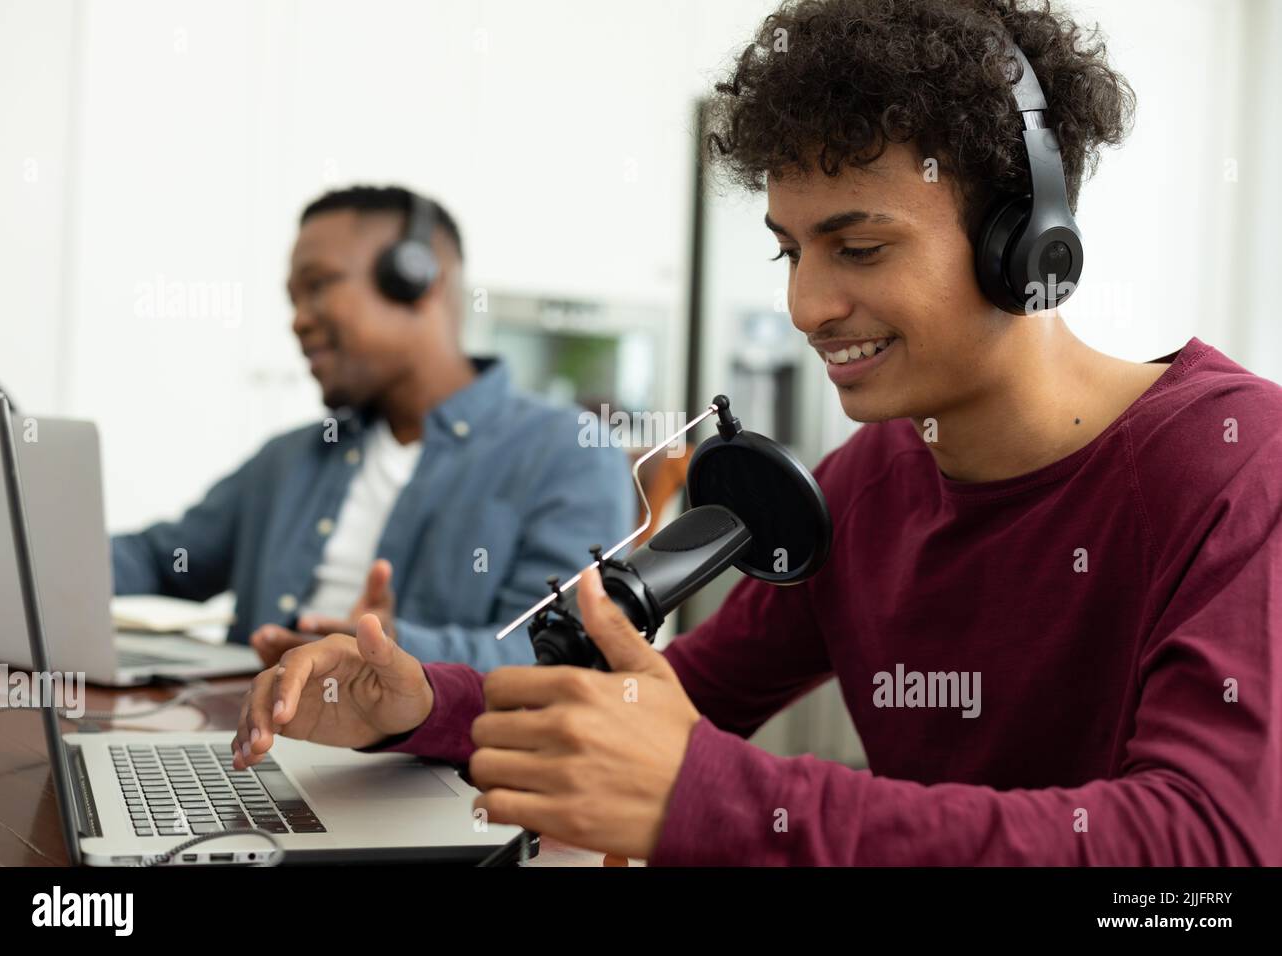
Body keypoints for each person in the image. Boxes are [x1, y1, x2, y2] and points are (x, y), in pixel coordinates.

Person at [230, 0, 1281, 864]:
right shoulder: (870, 479)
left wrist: (715, 798)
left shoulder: (1233, 461)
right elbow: (692, 693)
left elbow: (1204, 844)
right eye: (789, 253)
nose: (807, 305)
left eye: (859, 246)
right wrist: (421, 703)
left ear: (1028, 243)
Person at [113, 185, 634, 670]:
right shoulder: (292, 457)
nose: (298, 320)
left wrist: (390, 652)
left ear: (417, 280)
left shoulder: (568, 453)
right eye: (292, 298)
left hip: (421, 767)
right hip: (243, 742)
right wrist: (41, 557)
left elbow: (559, 655)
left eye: (317, 286)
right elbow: (162, 560)